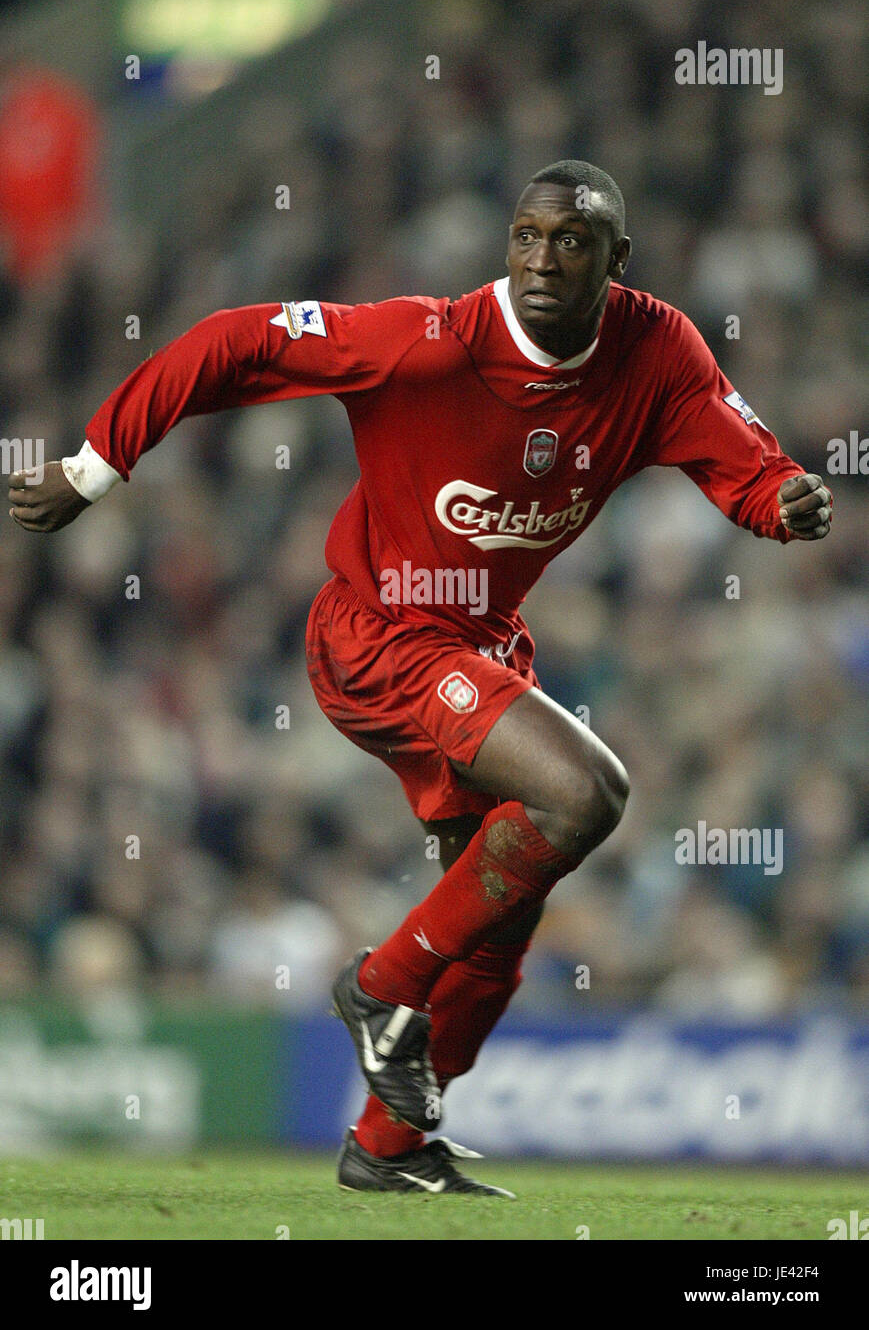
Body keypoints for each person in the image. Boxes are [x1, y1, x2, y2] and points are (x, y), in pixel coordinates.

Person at [8, 161, 832, 1198]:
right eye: (525, 235)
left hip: (484, 646)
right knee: (585, 792)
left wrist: (780, 501)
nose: (542, 257)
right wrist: (92, 469)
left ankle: (386, 1148)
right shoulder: (425, 340)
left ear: (614, 262)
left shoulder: (654, 348)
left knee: (494, 924)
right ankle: (377, 986)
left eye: (570, 241)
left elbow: (738, 458)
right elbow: (231, 343)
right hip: (376, 635)